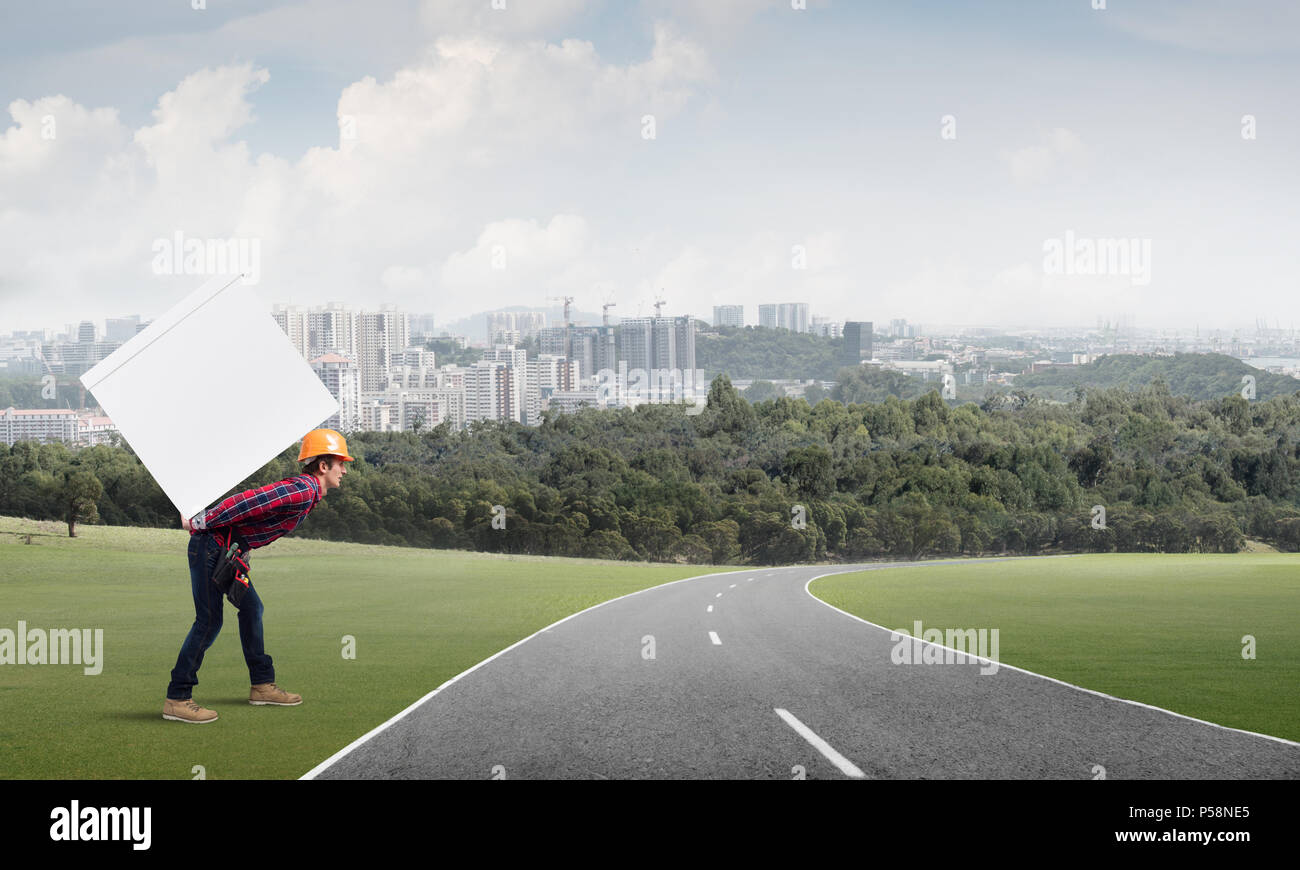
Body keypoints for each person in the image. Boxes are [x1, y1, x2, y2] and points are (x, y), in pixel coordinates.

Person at [162, 428, 354, 723]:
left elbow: (255, 520)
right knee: (209, 621)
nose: (344, 469)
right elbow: (248, 502)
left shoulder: (309, 493)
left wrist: (241, 551)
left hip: (226, 551)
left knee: (252, 609)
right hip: (210, 546)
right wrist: (200, 522)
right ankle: (177, 698)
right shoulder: (303, 489)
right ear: (323, 465)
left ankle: (262, 686)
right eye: (340, 462)